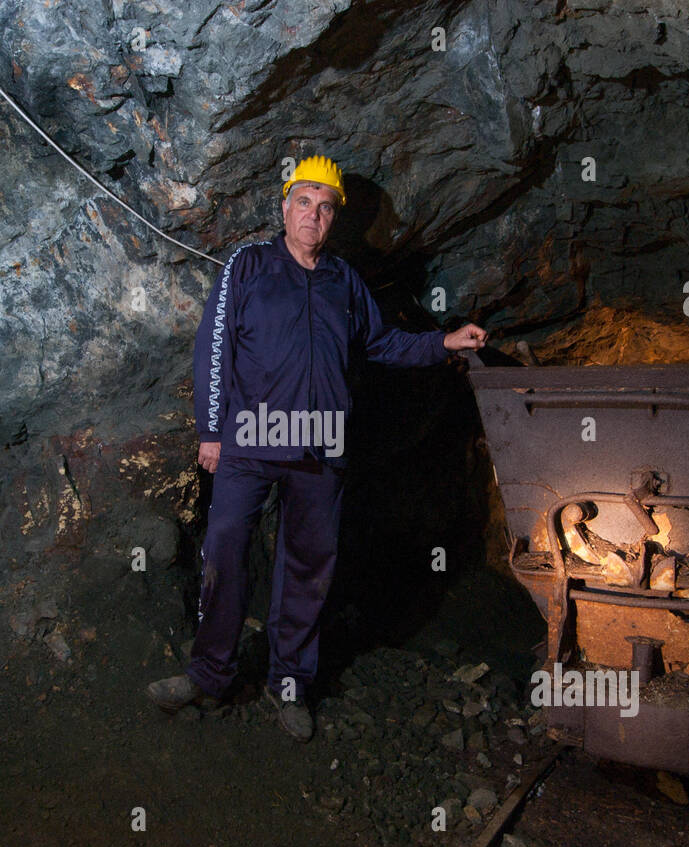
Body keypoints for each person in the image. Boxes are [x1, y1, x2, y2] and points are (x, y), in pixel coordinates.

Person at [147, 156, 486, 740]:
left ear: (333, 219)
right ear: (285, 207)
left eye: (325, 207)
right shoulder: (247, 265)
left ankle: (289, 686)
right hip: (249, 441)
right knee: (225, 549)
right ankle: (209, 674)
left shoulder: (344, 281)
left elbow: (381, 344)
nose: (314, 215)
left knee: (307, 570)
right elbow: (213, 345)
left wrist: (444, 341)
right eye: (304, 201)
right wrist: (209, 430)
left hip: (321, 448)